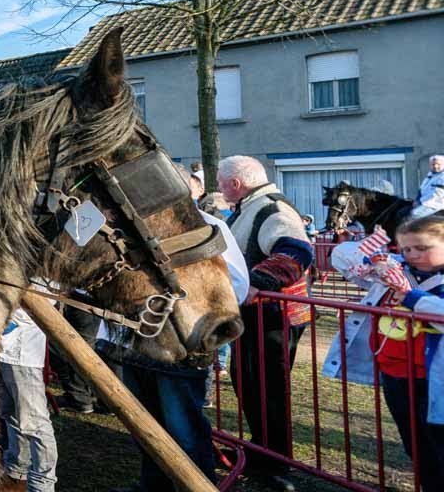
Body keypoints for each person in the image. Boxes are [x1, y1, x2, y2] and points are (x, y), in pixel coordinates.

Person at [104, 166, 249, 492]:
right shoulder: (134, 229)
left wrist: (188, 309)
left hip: (183, 347)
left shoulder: (209, 226)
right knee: (146, 427)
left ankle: (196, 486)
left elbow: (236, 287)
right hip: (136, 345)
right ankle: (153, 486)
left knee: (184, 429)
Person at [322, 217, 444, 488]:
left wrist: (411, 296)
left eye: (422, 248)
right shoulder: (393, 272)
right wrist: (375, 250)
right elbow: (342, 257)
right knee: (415, 444)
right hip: (395, 374)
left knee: (438, 446)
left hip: (434, 380)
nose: (412, 255)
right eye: (406, 248)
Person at [218, 155, 314, 492]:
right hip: (255, 314)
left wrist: (258, 282)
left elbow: (296, 251)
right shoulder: (250, 206)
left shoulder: (272, 209)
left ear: (236, 183)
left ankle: (275, 462)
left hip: (274, 316)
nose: (217, 186)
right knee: (248, 381)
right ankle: (261, 449)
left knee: (268, 386)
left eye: (220, 181)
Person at [0, 295, 58, 492]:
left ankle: (42, 486)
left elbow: (44, 303)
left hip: (23, 353)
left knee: (35, 425)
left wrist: (1, 320)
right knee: (9, 413)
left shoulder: (44, 271)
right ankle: (16, 472)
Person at [410, 154, 444, 220]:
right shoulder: (430, 175)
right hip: (425, 202)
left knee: (415, 214)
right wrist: (417, 200)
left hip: (436, 204)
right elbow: (422, 189)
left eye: (438, 164)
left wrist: (420, 202)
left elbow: (437, 194)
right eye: (433, 164)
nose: (435, 166)